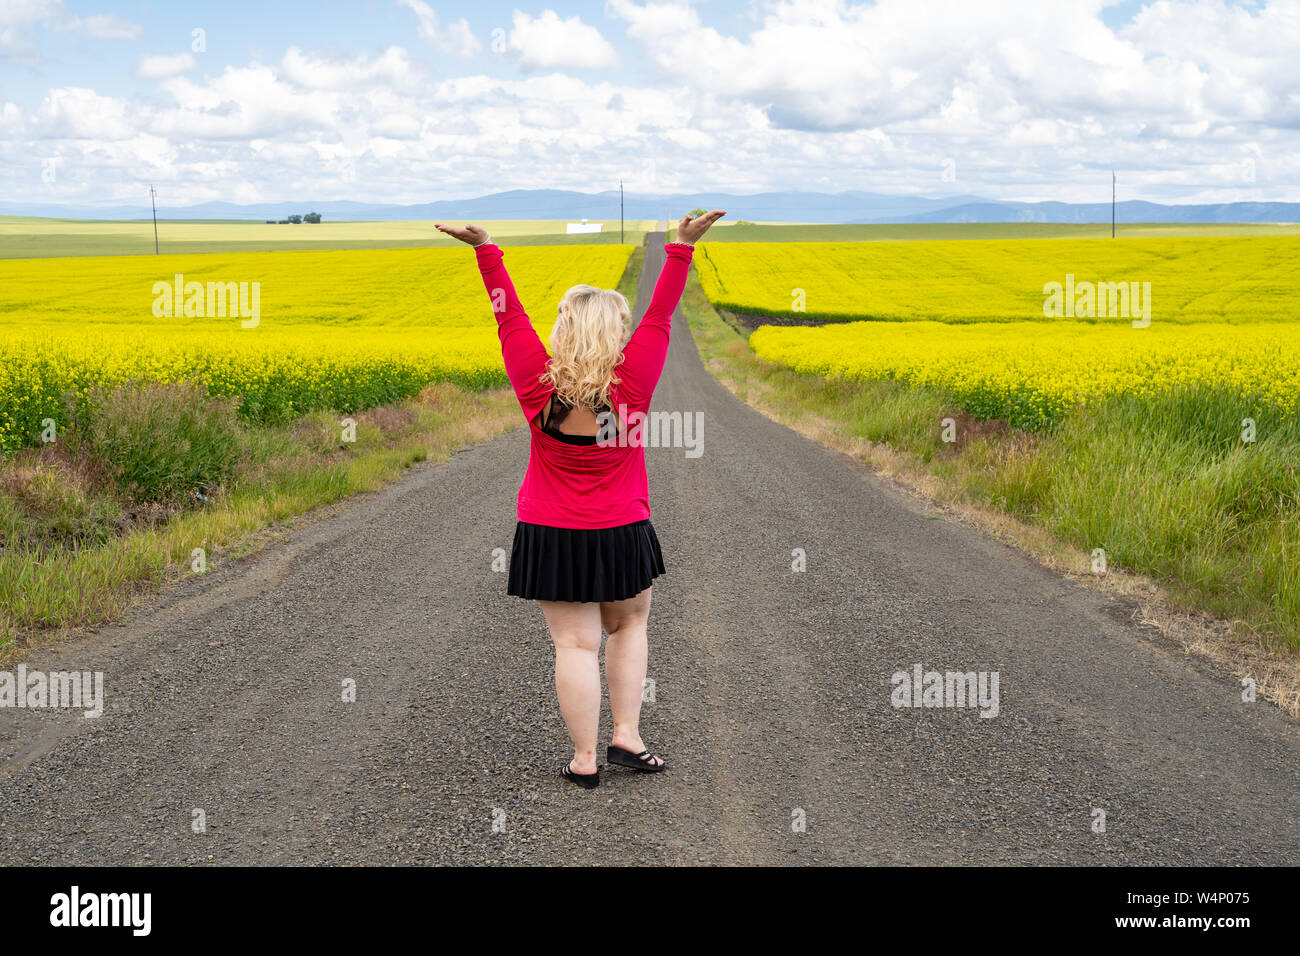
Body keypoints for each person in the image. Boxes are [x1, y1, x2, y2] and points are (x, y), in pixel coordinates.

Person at [436, 212, 726, 789]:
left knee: (574, 643)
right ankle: (627, 737)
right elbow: (662, 314)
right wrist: (681, 248)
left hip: (549, 530)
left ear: (564, 331)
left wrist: (487, 249)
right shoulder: (633, 382)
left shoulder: (534, 384)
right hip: (622, 527)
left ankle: (584, 760)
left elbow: (508, 317)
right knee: (629, 628)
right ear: (615, 332)